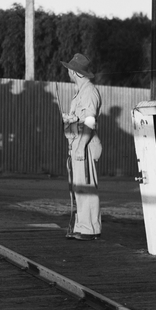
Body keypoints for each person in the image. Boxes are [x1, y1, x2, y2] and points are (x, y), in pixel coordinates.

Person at [61, 53, 103, 241]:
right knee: (79, 187)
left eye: (70, 70)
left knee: (86, 186)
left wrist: (81, 147)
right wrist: (70, 120)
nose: (68, 72)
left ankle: (90, 229)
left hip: (84, 145)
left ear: (76, 73)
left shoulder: (89, 91)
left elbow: (90, 121)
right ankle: (82, 226)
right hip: (77, 143)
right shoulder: (81, 92)